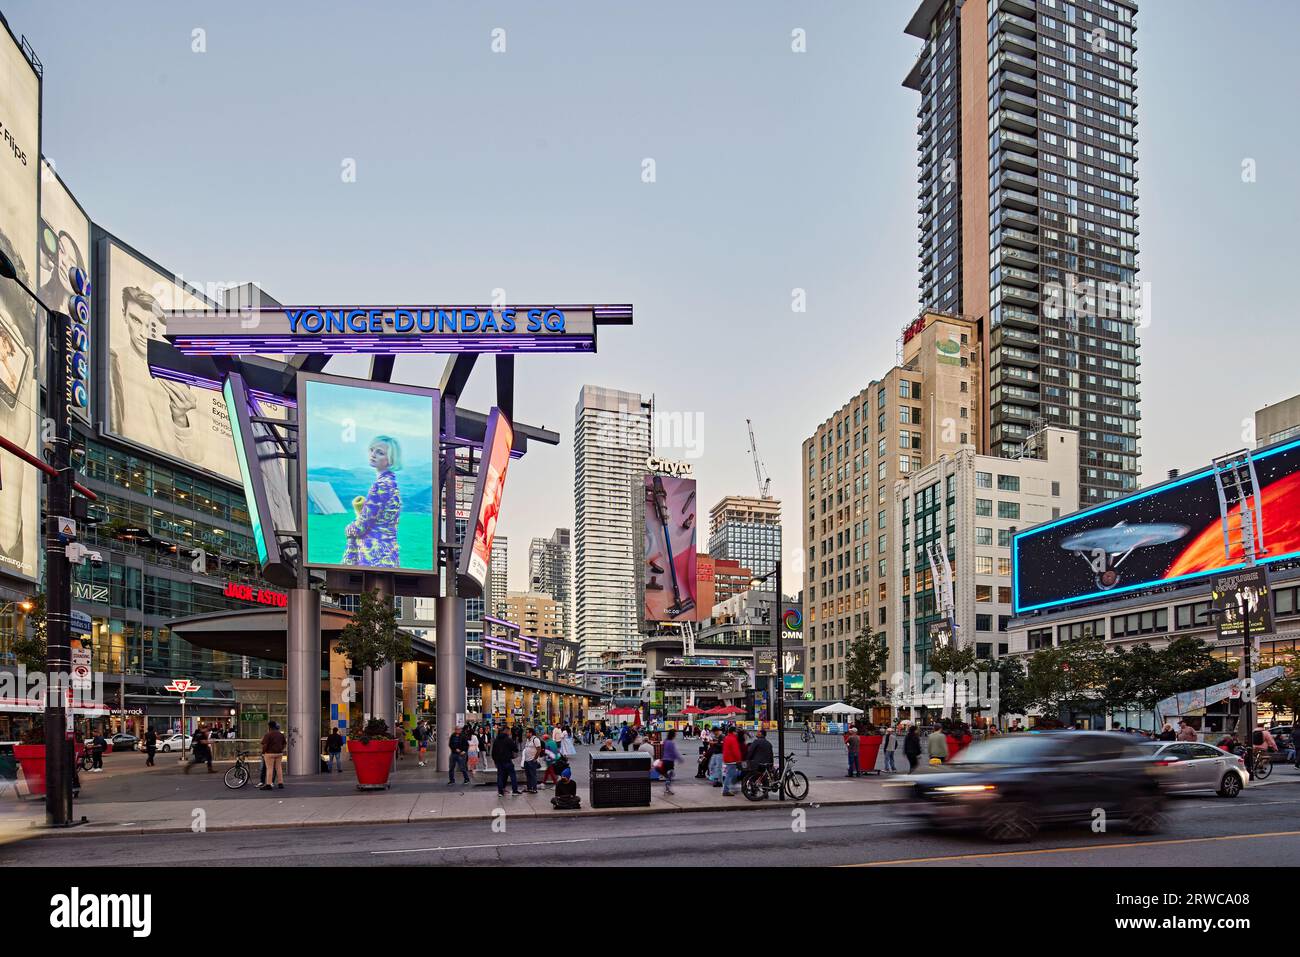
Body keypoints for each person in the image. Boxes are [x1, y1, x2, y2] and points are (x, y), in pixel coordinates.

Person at [342, 435, 403, 568]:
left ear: (390, 460)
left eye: (380, 452)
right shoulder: (392, 484)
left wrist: (349, 528)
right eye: (372, 450)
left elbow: (360, 527)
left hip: (373, 555)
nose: (373, 454)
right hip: (388, 554)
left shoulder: (381, 486)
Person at [492, 726, 521, 796]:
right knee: (512, 776)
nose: (509, 732)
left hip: (499, 762)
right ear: (506, 731)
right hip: (507, 761)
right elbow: (515, 749)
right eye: (509, 731)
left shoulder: (496, 740)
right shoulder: (508, 739)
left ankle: (500, 792)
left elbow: (493, 753)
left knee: (500, 776)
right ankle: (514, 791)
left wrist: (495, 761)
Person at [260, 721, 286, 790]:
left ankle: (268, 784)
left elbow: (264, 745)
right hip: (279, 753)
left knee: (269, 769)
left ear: (269, 727)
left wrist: (263, 752)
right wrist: (281, 749)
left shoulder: (268, 735)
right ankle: (280, 783)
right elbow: (284, 743)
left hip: (269, 753)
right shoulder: (281, 734)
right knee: (279, 768)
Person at [721, 727, 744, 796]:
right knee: (730, 775)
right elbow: (735, 751)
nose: (737, 733)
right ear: (733, 732)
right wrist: (739, 759)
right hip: (732, 759)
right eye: (736, 732)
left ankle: (730, 787)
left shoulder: (727, 737)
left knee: (731, 774)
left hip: (727, 758)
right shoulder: (733, 739)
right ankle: (726, 790)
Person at [661, 729, 682, 795]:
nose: (676, 735)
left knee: (669, 775)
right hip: (670, 761)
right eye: (675, 734)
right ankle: (667, 789)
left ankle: (667, 789)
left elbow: (663, 750)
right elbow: (674, 752)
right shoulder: (671, 742)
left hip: (665, 760)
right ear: (673, 735)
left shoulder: (665, 741)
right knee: (670, 775)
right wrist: (679, 759)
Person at [522, 729, 543, 794]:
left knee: (533, 775)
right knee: (528, 775)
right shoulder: (528, 740)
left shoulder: (535, 739)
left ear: (531, 733)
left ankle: (534, 788)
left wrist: (535, 759)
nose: (526, 734)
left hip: (532, 761)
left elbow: (539, 749)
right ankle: (529, 788)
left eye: (527, 732)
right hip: (526, 760)